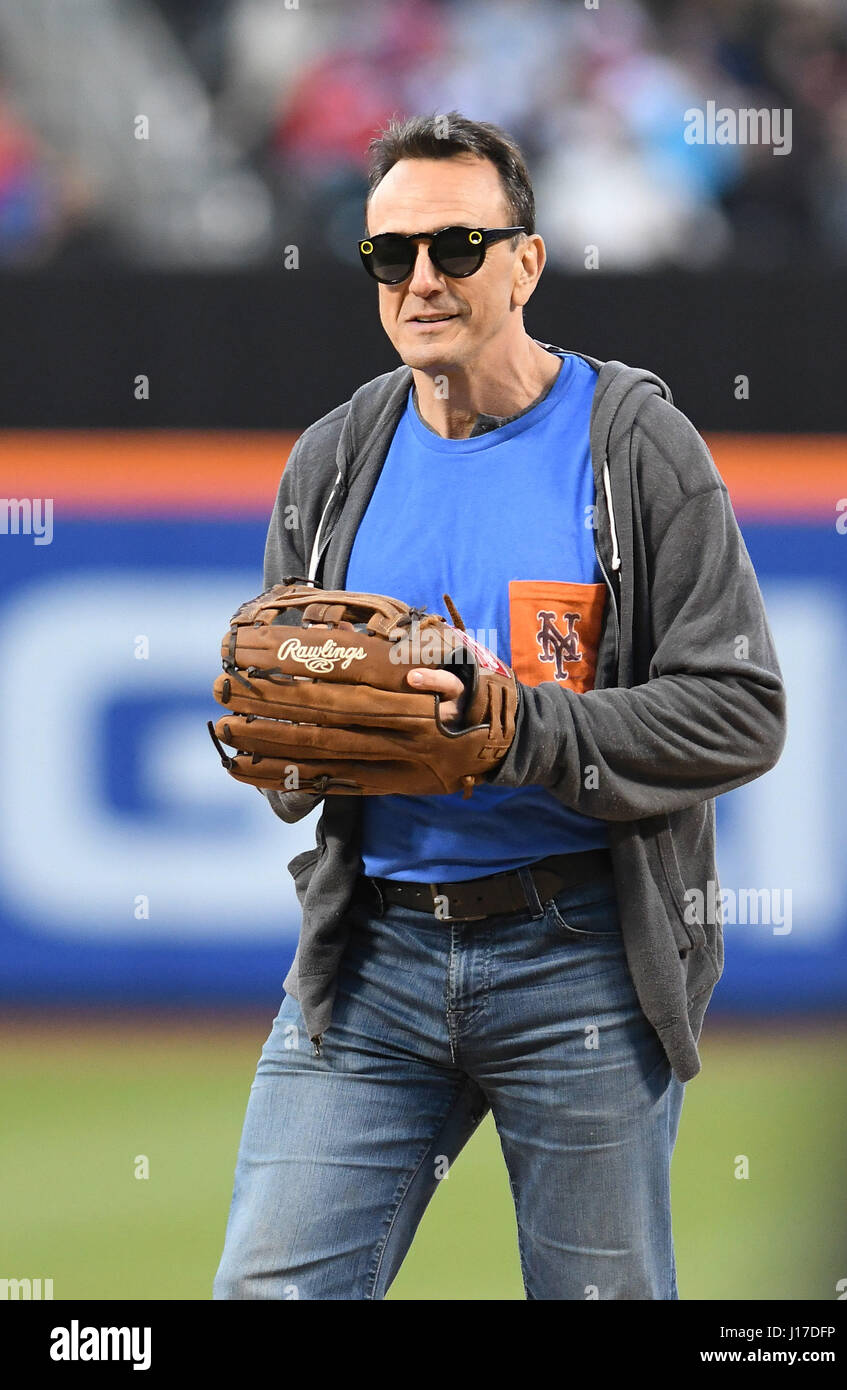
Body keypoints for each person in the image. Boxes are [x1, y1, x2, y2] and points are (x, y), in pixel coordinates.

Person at [213, 111, 786, 1301]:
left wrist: (523, 726)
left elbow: (740, 709)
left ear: (527, 261)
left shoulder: (637, 449)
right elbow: (296, 734)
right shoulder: (332, 460)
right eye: (391, 255)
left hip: (580, 955)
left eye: (459, 246)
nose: (423, 279)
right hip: (370, 955)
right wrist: (284, 755)